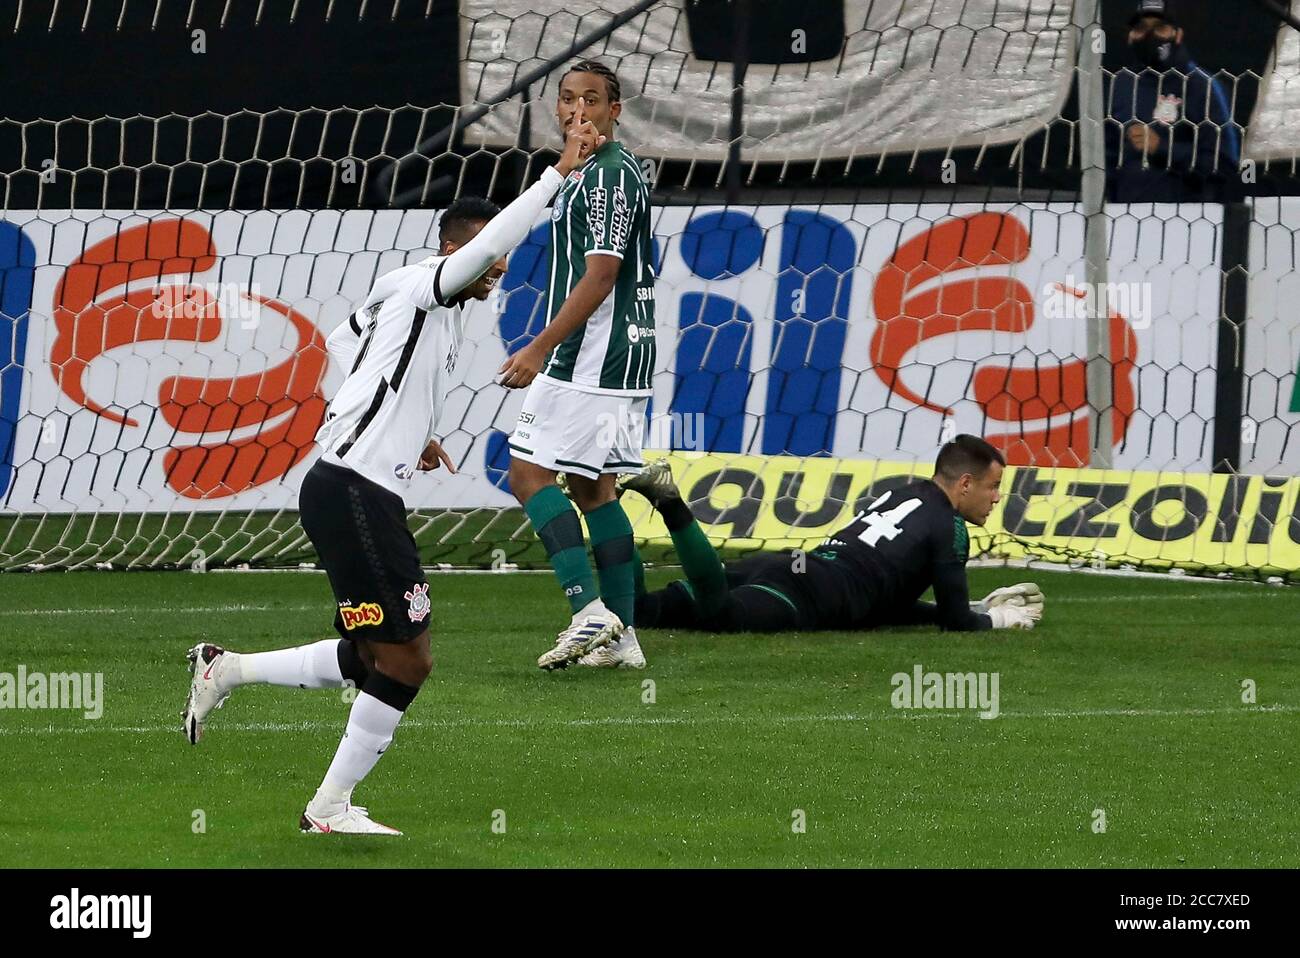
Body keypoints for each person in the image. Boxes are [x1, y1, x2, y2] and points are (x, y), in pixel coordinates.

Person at [179, 114, 604, 835]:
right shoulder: (422, 284)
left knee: (373, 652)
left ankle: (227, 670)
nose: (494, 274)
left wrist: (417, 430)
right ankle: (327, 809)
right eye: (483, 262)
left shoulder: (412, 304)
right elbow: (494, 242)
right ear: (451, 250)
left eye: (498, 270)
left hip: (352, 485)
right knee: (409, 661)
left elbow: (344, 347)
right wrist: (557, 174)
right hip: (355, 490)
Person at [498, 60, 658, 671]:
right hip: (620, 355)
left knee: (527, 476)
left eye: (592, 100)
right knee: (595, 489)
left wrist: (540, 345)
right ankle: (624, 638)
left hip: (593, 355)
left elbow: (602, 274)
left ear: (614, 111)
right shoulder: (587, 172)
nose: (577, 111)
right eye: (567, 100)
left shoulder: (609, 176)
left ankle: (589, 611)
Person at [620, 436, 1044, 637]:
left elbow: (885, 603)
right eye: (992, 487)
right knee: (722, 615)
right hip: (810, 593)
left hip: (793, 565)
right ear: (966, 483)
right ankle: (669, 502)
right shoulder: (949, 527)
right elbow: (957, 625)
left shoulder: (904, 492)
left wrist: (971, 605)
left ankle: (609, 511)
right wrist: (997, 619)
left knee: (642, 611)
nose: (996, 498)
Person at [1106, 0, 1240, 203]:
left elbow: (1225, 165)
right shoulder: (1121, 83)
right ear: (1130, 36)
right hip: (1123, 218)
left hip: (1187, 219)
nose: (1150, 36)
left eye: (1160, 28)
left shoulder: (1203, 85)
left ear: (1178, 35)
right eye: (1141, 28)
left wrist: (1161, 148)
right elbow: (1105, 157)